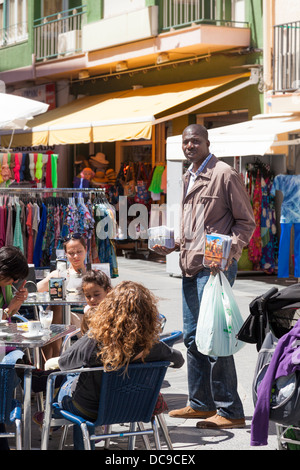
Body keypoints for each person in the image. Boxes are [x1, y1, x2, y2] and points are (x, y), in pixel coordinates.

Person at [153, 124, 255, 430]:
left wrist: (227, 252)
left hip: (214, 269)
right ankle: (200, 404)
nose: (189, 146)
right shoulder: (189, 175)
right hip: (190, 267)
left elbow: (245, 222)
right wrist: (172, 246)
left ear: (207, 143)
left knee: (214, 338)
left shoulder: (224, 174)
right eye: (185, 142)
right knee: (193, 338)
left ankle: (230, 409)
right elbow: (195, 228)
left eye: (195, 141)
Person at [55, 281, 184, 449]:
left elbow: (64, 363)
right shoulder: (154, 347)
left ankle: (53, 420)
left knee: (67, 381)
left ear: (109, 309)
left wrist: (91, 332)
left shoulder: (95, 340)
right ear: (148, 313)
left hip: (88, 408)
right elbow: (179, 361)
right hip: (135, 408)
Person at [37, 233, 88, 359]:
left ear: (86, 251)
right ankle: (55, 357)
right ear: (65, 254)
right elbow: (34, 289)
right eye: (71, 253)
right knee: (55, 309)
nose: (75, 256)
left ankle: (54, 358)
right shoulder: (58, 274)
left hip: (83, 317)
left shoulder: (92, 274)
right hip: (60, 317)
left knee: (54, 312)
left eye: (79, 252)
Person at [0, 246, 29, 451]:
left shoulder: (4, 286)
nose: (14, 283)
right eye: (13, 278)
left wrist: (14, 305)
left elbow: (5, 317)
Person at [0, 245, 29, 320]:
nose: (15, 281)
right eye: (15, 278)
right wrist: (10, 308)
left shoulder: (5, 286)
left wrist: (18, 301)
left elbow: (11, 314)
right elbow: (7, 313)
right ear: (4, 272)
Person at [80, 269, 112, 335]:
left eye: (97, 295)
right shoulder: (88, 310)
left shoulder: (113, 311)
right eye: (88, 296)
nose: (92, 300)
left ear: (108, 291)